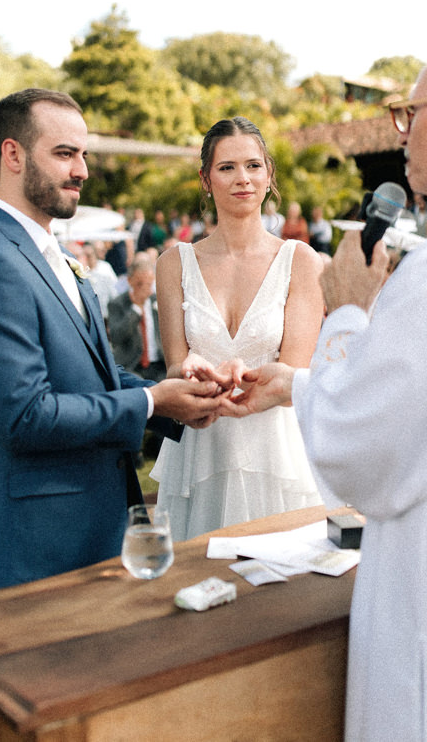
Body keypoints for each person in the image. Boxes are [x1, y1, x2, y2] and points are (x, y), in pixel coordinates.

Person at [219, 43, 427, 741]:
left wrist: (348, 310)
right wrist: (299, 386)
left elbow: (359, 456)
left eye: (408, 113)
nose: (400, 133)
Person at [0, 88, 225, 602]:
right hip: (31, 553)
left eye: (84, 154)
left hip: (94, 541)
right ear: (13, 155)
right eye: (65, 153)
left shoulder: (56, 256)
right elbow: (25, 417)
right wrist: (150, 402)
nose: (83, 170)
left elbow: (94, 377)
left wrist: (174, 395)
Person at [150, 116, 325, 541]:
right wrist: (191, 368)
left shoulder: (300, 260)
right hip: (200, 449)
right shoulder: (173, 263)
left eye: (253, 165)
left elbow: (293, 372)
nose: (242, 178)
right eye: (226, 167)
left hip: (276, 454)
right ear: (206, 180)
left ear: (269, 175)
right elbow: (174, 367)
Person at [107, 253, 166, 383]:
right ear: (130, 280)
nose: (146, 289)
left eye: (149, 284)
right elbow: (116, 337)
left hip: (159, 364)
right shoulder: (118, 303)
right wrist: (136, 309)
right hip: (131, 365)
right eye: (140, 284)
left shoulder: (157, 301)